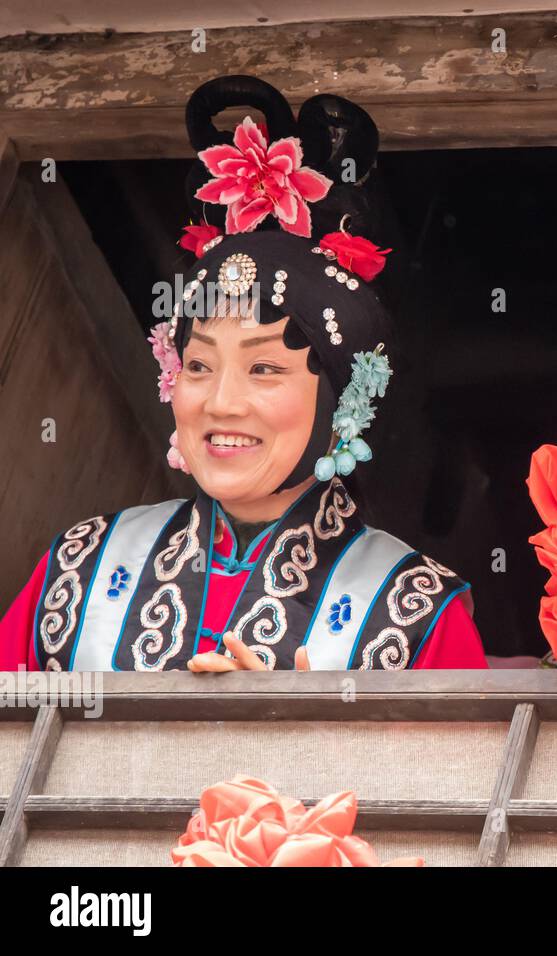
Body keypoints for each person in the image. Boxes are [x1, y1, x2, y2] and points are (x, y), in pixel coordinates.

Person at [0, 75, 486, 673]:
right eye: (200, 365)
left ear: (346, 408)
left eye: (263, 368)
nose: (223, 403)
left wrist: (305, 742)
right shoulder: (78, 567)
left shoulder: (414, 614)